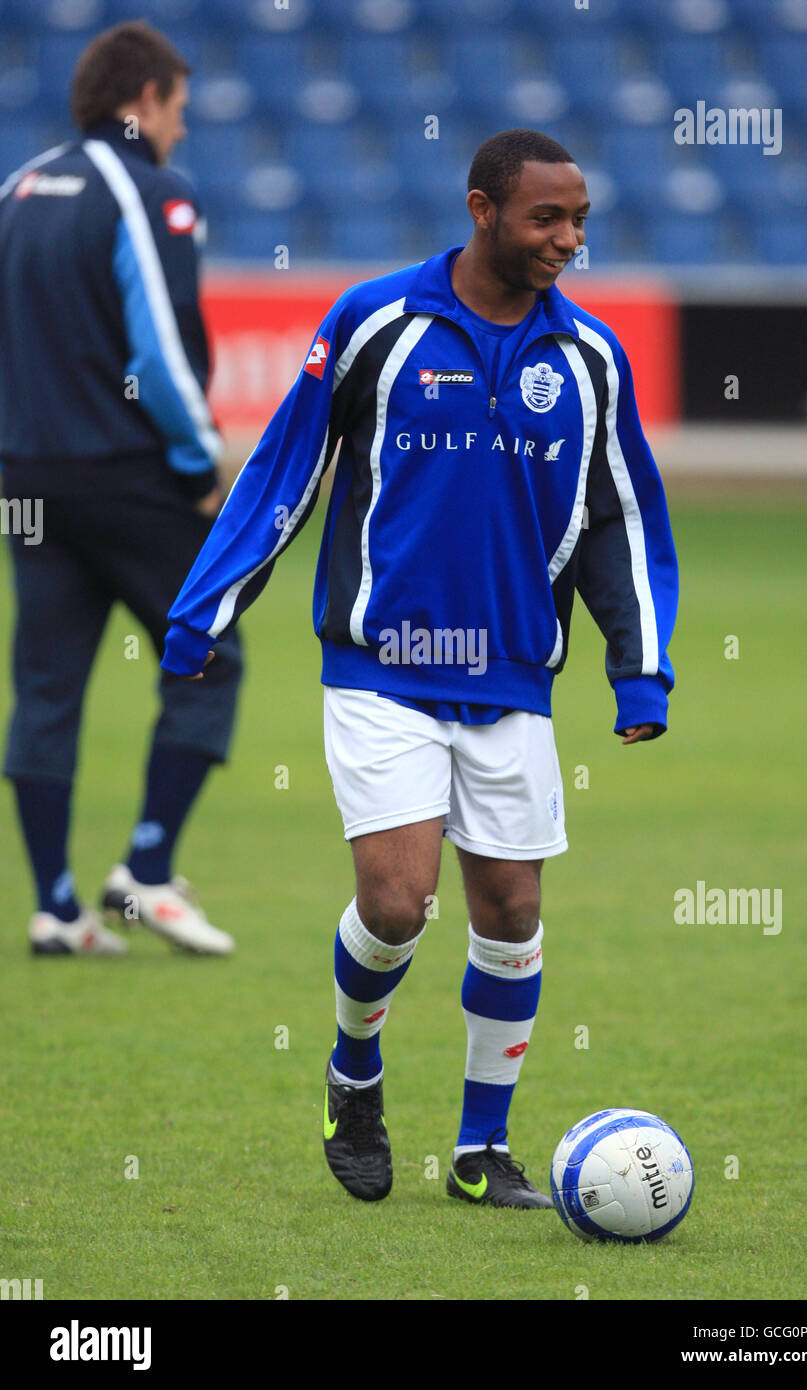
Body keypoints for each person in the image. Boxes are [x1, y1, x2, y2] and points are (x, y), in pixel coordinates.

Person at [162, 129, 679, 1205]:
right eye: (547, 217)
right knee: (398, 905)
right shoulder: (376, 322)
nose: (567, 240)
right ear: (481, 208)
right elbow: (286, 469)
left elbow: (619, 520)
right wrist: (205, 609)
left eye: (579, 220)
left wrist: (638, 673)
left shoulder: (587, 358)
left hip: (511, 680)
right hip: (380, 664)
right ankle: (354, 1071)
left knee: (509, 914)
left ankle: (480, 1154)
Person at [0, 21, 241, 957]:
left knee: (46, 688)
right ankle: (144, 872)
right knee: (208, 657)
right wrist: (201, 464)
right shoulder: (149, 193)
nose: (181, 128)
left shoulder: (16, 190)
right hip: (129, 480)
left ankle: (56, 906)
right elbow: (165, 347)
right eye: (178, 107)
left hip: (29, 482)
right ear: (143, 100)